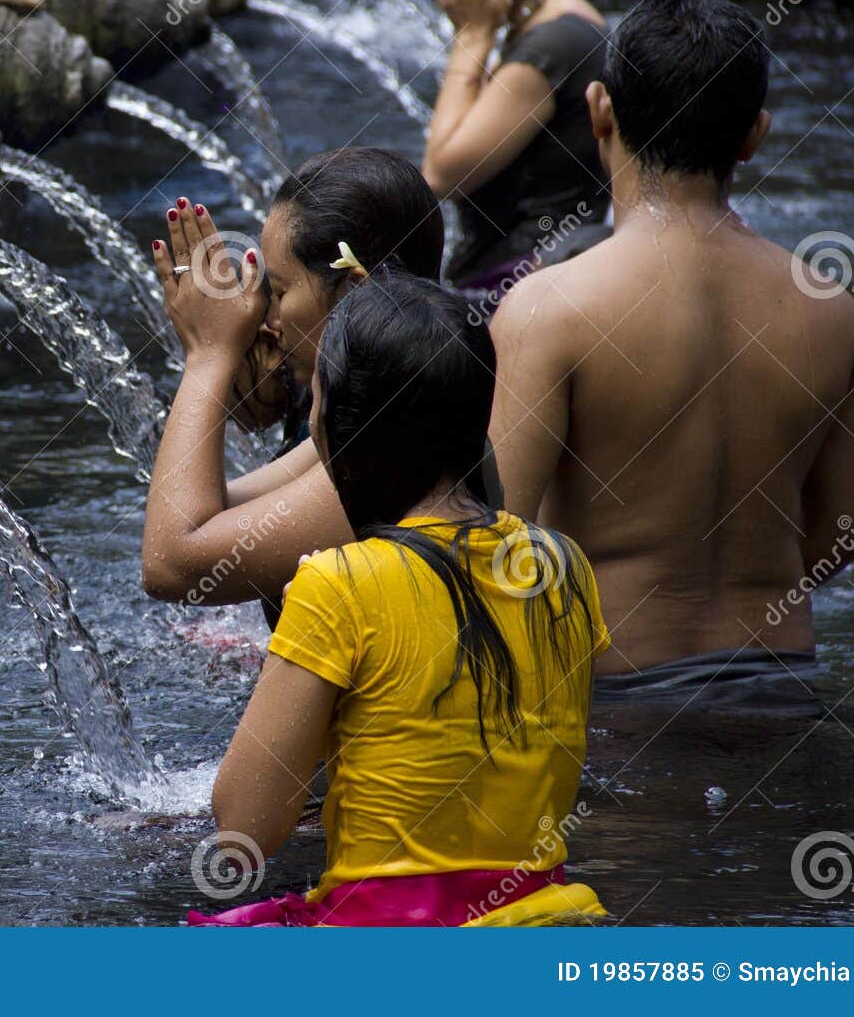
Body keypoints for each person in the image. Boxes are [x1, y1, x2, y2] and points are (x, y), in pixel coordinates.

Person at [489, 0, 854, 703]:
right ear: (755, 134)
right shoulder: (835, 314)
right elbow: (850, 531)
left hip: (614, 696)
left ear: (600, 108)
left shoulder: (549, 308)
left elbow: (491, 533)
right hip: (781, 687)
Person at [193, 275, 608, 927]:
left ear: (338, 430)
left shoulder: (335, 585)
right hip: (543, 921)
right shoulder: (561, 566)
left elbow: (244, 828)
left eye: (318, 402)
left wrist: (301, 642)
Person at [140, 148, 451, 616]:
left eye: (280, 292)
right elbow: (215, 513)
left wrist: (209, 355)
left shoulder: (392, 445)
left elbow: (173, 565)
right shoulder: (404, 402)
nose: (270, 318)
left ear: (353, 291)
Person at [412, 0, 611, 296]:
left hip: (520, 289)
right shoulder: (556, 22)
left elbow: (442, 175)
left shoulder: (554, 45)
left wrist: (473, 33)